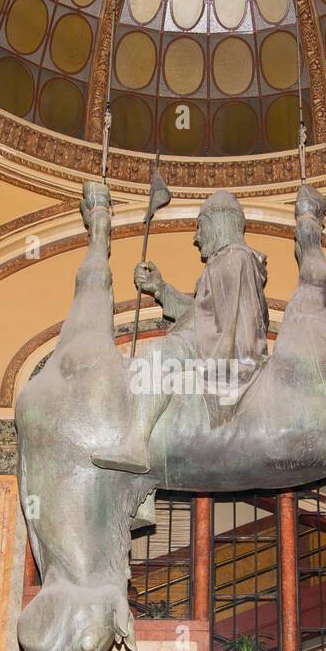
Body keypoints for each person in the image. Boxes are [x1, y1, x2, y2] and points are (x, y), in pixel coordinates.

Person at [91, 191, 269, 474]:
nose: (196, 237)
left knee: (155, 354)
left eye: (200, 226)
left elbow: (224, 323)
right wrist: (159, 287)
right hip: (201, 339)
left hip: (208, 346)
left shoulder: (235, 259)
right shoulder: (227, 262)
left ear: (217, 223)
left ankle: (136, 445)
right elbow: (204, 311)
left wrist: (206, 361)